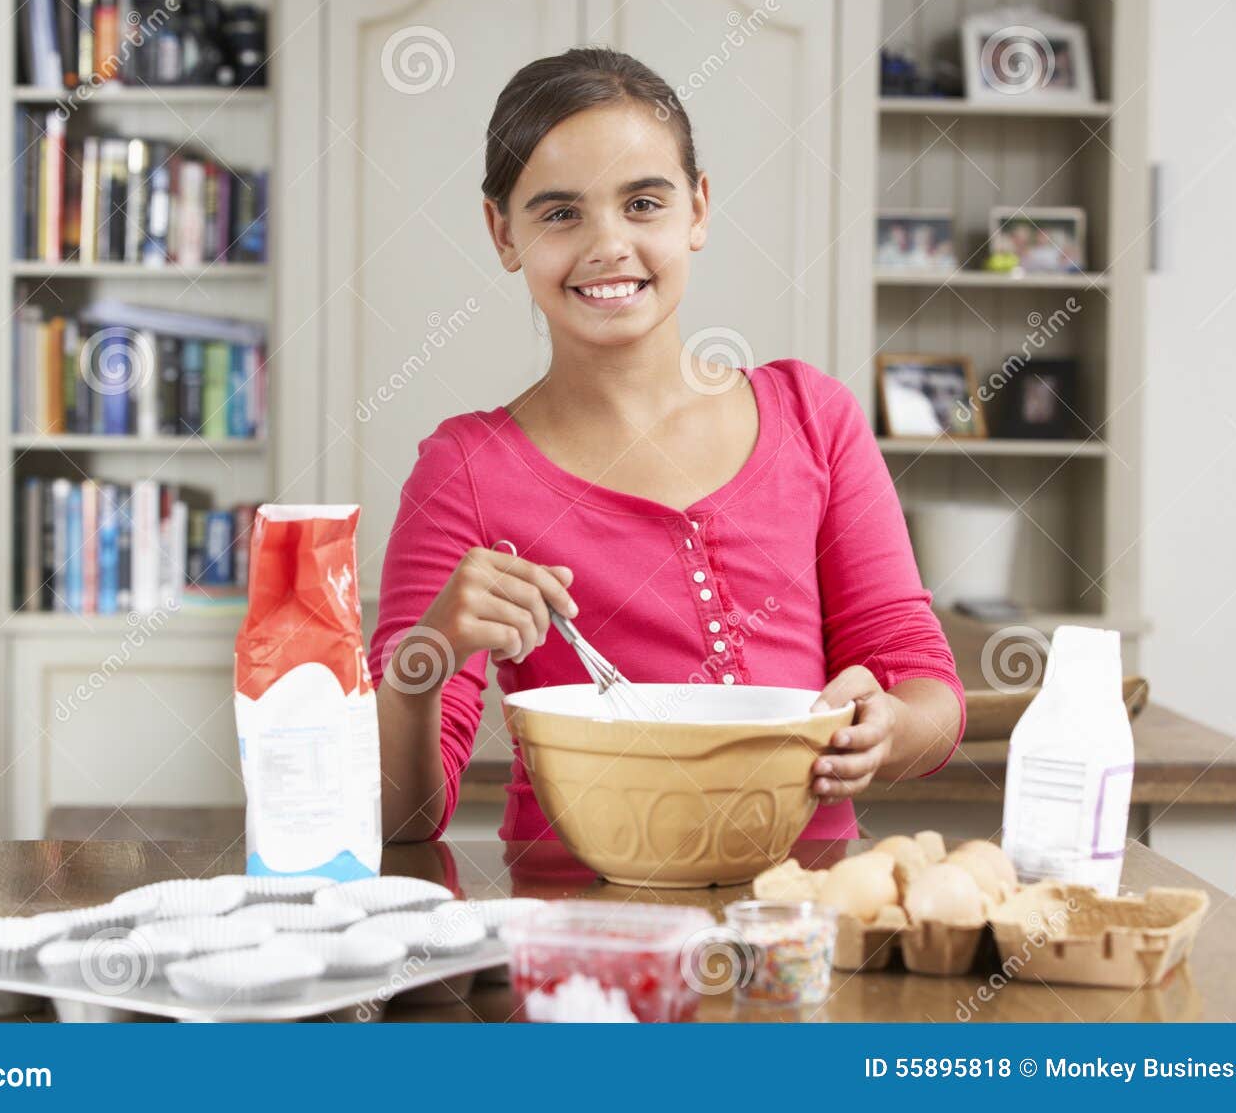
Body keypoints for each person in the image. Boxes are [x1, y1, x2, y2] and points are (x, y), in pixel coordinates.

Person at [370, 47, 966, 844]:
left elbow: (924, 683)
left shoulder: (813, 418)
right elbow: (400, 818)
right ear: (502, 233)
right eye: (559, 213)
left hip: (805, 918)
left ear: (699, 209)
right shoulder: (465, 469)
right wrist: (428, 654)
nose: (608, 244)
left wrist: (888, 727)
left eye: (643, 202)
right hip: (577, 919)